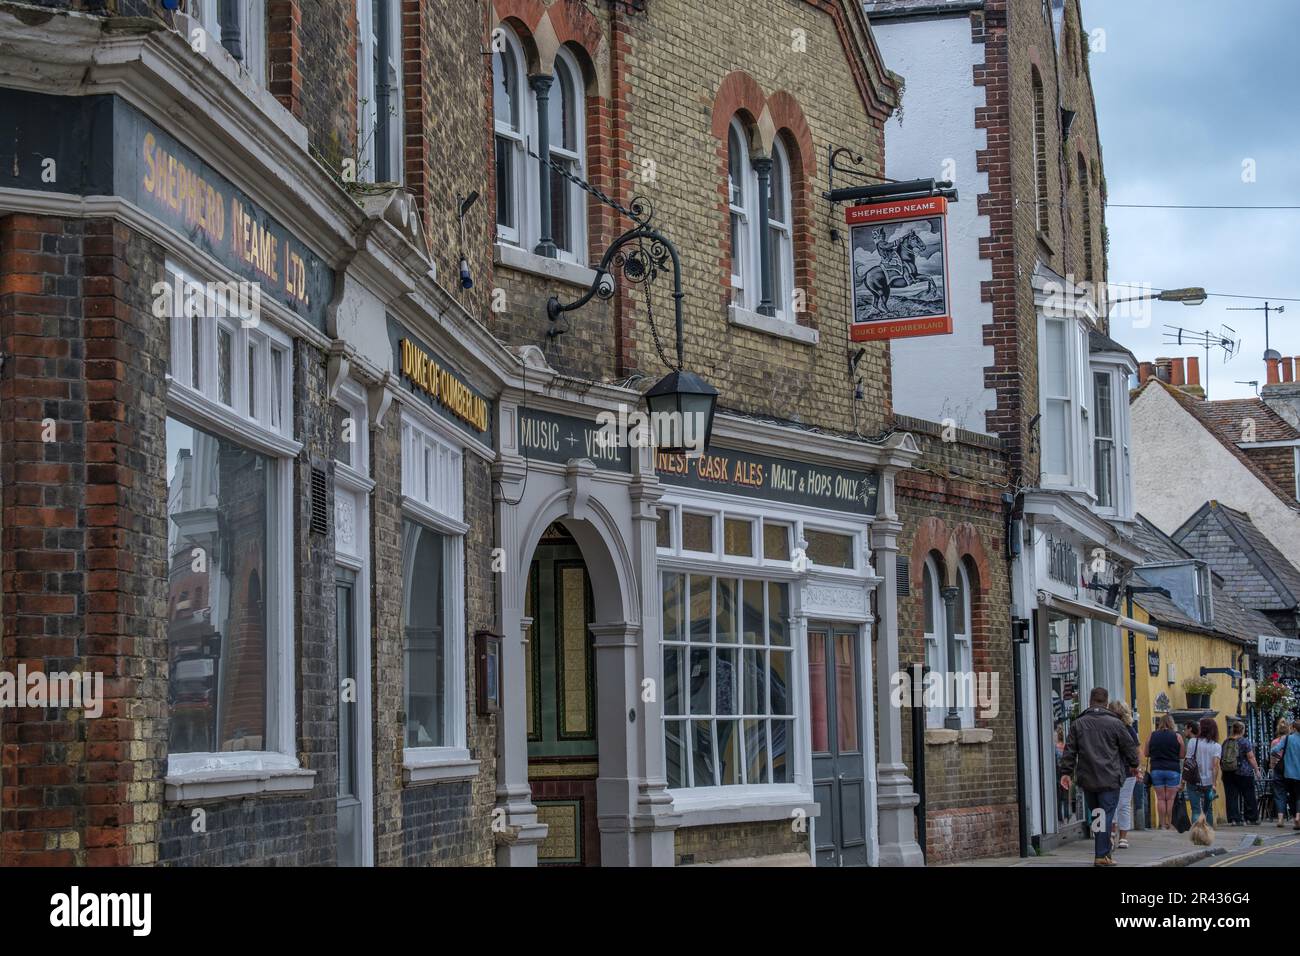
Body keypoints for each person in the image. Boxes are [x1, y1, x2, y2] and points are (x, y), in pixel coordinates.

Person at [1059, 687, 1139, 866]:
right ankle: (1102, 855)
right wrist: (1134, 766)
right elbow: (1129, 747)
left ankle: (1101, 853)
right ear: (1106, 702)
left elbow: (1069, 750)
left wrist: (1066, 773)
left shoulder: (1078, 724)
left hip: (1088, 778)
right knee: (1106, 815)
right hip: (1110, 777)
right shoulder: (1116, 724)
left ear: (1090, 701)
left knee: (1097, 815)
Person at [1144, 714, 1185, 830]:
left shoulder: (1152, 735)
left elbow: (1146, 753)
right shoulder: (1177, 736)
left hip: (1156, 769)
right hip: (1172, 769)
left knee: (1161, 798)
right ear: (1172, 723)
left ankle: (1162, 824)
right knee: (1170, 798)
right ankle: (1171, 824)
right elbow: (1182, 755)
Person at [1109, 700, 1140, 848]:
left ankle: (1122, 836)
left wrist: (1136, 767)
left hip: (1127, 771)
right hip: (1113, 771)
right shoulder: (1112, 728)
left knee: (1122, 803)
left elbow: (1136, 751)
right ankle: (1113, 834)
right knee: (1114, 804)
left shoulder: (1129, 730)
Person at [1222, 720, 1260, 826]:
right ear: (1242, 730)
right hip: (1244, 772)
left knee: (1231, 796)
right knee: (1248, 795)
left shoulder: (1226, 742)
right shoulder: (1244, 741)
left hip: (1228, 772)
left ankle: (1234, 819)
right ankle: (1251, 818)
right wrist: (1256, 770)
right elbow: (1251, 757)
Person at [1186, 716, 1221, 827]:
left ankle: (1196, 834)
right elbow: (1215, 766)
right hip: (1209, 782)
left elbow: (1188, 762)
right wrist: (1214, 783)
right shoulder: (1216, 746)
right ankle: (1208, 833)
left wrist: (1183, 781)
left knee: (1195, 810)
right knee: (1208, 809)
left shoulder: (1192, 742)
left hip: (1193, 780)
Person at [1269, 718, 1300, 831]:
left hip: (1287, 772)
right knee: (1298, 796)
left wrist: (1280, 757)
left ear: (1293, 728)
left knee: (1284, 795)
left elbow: (1273, 751)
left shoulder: (1287, 739)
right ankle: (1297, 817)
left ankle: (1281, 819)